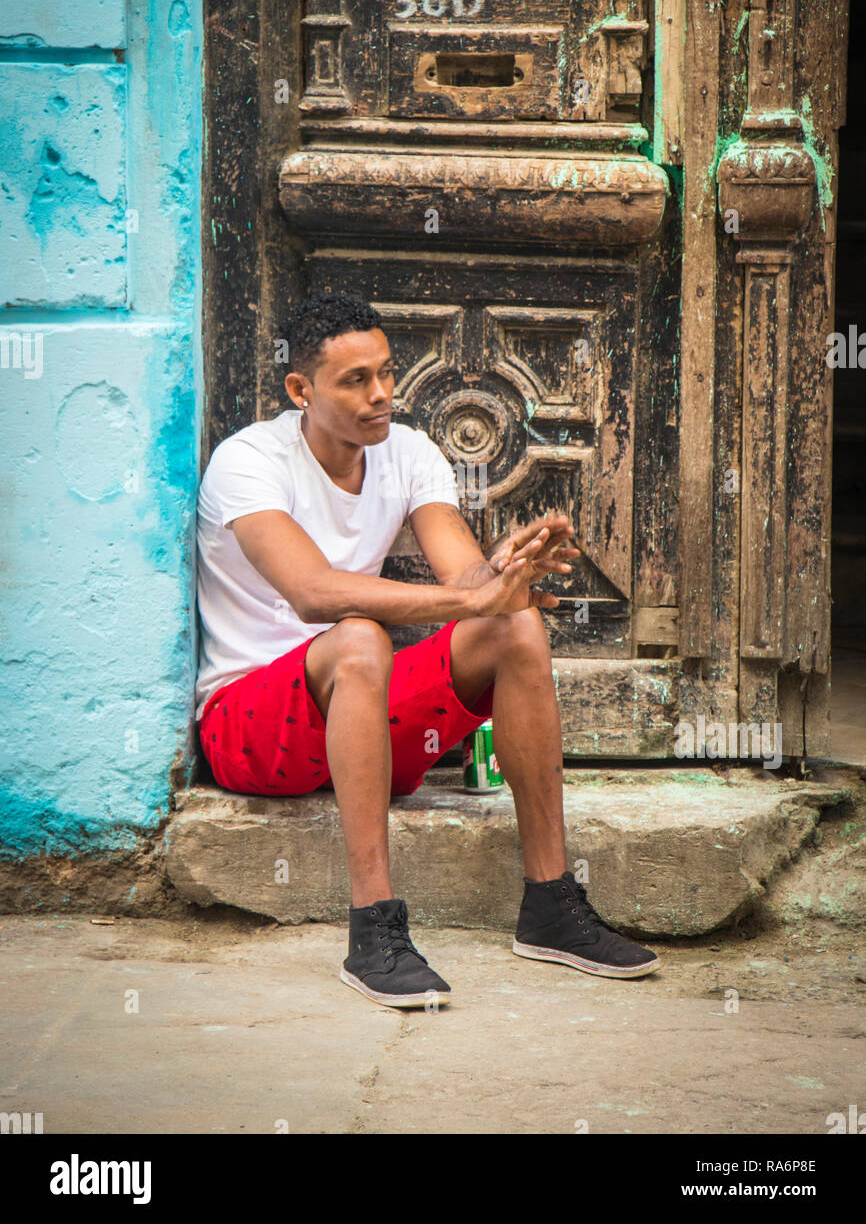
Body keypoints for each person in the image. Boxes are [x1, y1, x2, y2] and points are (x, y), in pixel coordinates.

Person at [195, 292, 660, 1008]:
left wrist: (505, 576)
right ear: (300, 390)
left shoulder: (408, 452)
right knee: (356, 638)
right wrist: (473, 598)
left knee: (517, 628)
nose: (381, 394)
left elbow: (467, 581)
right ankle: (373, 932)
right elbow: (315, 593)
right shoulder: (248, 462)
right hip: (251, 729)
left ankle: (551, 905)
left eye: (386, 372)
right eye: (355, 380)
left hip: (358, 717)